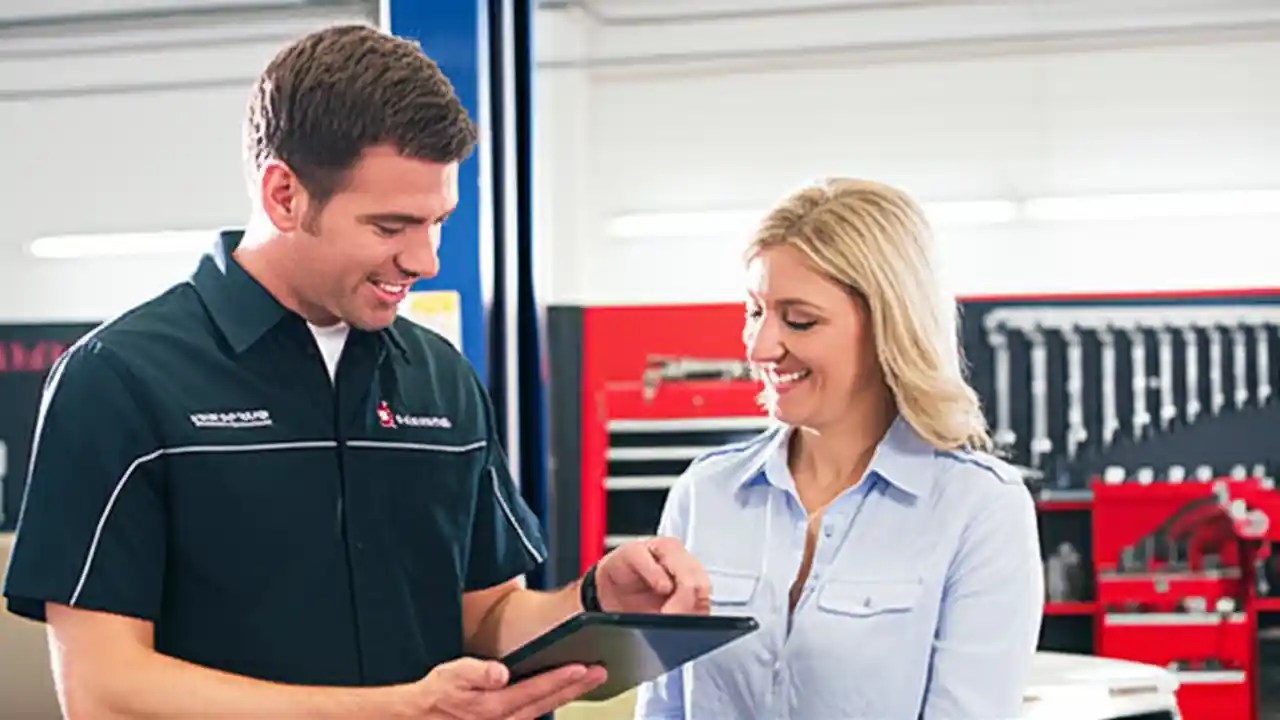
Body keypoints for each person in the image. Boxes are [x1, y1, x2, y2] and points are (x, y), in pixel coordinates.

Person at [2, 24, 710, 720]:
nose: (425, 260)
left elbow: (486, 616)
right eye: (390, 226)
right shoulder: (120, 381)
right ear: (284, 196)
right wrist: (388, 711)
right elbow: (105, 689)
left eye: (438, 222)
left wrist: (594, 603)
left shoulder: (440, 379)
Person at [633, 178, 1044, 719]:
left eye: (799, 320)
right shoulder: (706, 493)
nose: (760, 348)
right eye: (754, 312)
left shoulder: (977, 508)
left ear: (888, 326)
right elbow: (663, 709)